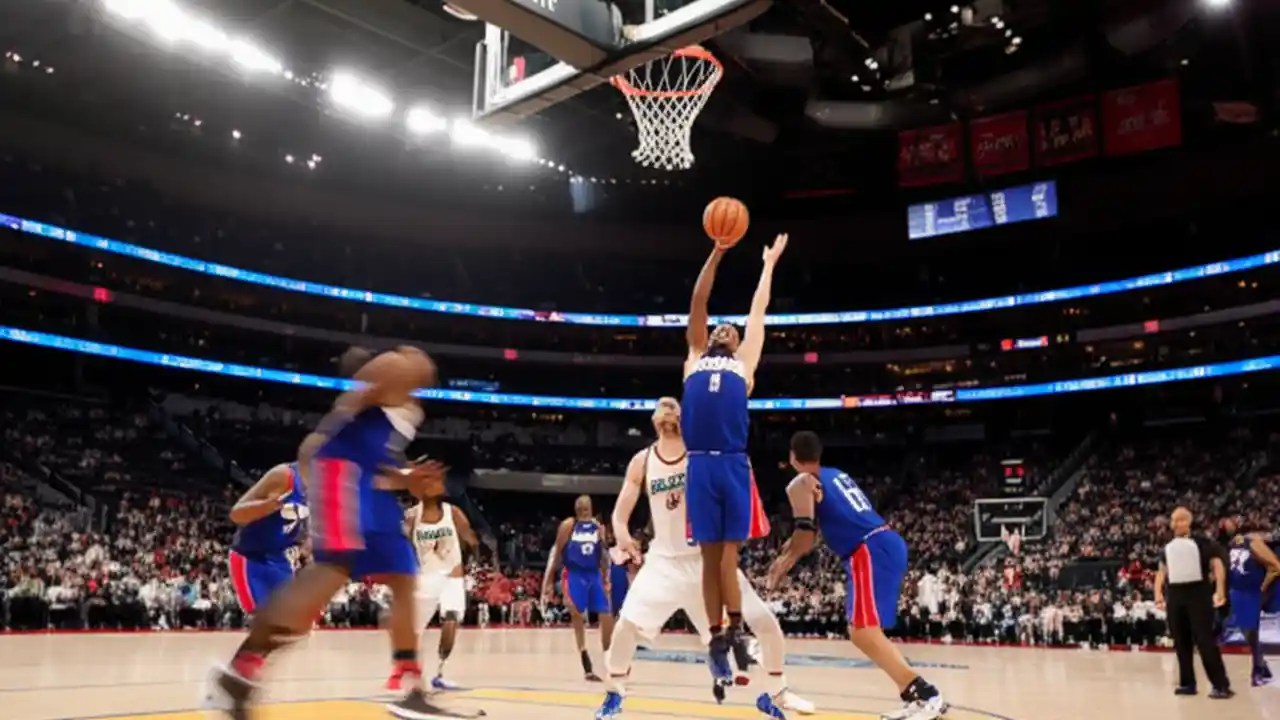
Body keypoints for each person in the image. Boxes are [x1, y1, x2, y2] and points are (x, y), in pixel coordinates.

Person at [209, 346, 471, 720]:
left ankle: (412, 686)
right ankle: (241, 670)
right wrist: (325, 440)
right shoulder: (398, 368)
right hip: (340, 475)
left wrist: (407, 477)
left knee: (402, 577)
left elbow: (379, 468)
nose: (428, 363)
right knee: (331, 572)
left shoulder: (409, 404)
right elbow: (356, 399)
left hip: (366, 485)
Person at [595, 397, 813, 720]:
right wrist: (624, 537)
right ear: (654, 420)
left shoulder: (700, 454)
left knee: (764, 622)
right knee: (626, 626)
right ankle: (614, 695)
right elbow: (619, 515)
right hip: (664, 563)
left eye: (673, 406)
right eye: (663, 406)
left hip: (705, 561)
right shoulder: (642, 460)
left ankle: (777, 693)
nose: (668, 410)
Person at [766, 431, 947, 720]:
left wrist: (780, 567)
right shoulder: (835, 474)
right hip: (883, 542)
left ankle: (926, 695)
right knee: (864, 632)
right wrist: (787, 551)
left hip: (867, 549)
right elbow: (807, 533)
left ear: (792, 457)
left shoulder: (801, 482)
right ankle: (913, 692)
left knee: (862, 631)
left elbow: (805, 537)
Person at [682, 233, 787, 683]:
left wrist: (767, 266)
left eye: (731, 328)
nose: (724, 329)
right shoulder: (692, 356)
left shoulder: (744, 363)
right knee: (709, 558)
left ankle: (738, 629)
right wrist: (717, 252)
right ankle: (717, 637)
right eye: (719, 328)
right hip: (700, 463)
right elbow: (698, 301)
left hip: (731, 463)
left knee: (729, 554)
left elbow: (759, 309)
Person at [389, 471, 482, 692]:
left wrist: (472, 557)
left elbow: (471, 539)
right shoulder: (412, 516)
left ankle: (440, 672)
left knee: (451, 618)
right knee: (414, 629)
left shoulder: (454, 513)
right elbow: (399, 544)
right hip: (426, 577)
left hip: (453, 576)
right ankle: (404, 668)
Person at [1154, 507, 1233, 699]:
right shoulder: (1167, 548)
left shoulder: (1204, 543)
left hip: (1198, 593)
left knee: (1205, 640)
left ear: (1189, 521)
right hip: (1175, 594)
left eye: (1181, 520)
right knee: (1181, 641)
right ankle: (1187, 683)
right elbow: (1162, 571)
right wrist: (1158, 593)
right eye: (1174, 520)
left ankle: (1220, 684)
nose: (1177, 524)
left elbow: (1217, 565)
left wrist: (1220, 590)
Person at [542, 495, 614, 681]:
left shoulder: (598, 527)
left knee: (606, 613)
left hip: (593, 573)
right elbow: (556, 553)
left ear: (591, 508)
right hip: (573, 573)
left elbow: (603, 554)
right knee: (576, 613)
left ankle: (609, 659)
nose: (583, 508)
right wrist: (549, 580)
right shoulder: (568, 525)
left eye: (587, 505)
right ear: (576, 508)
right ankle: (584, 656)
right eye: (580, 505)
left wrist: (606, 577)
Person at [227, 463, 308, 618]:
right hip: (251, 557)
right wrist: (270, 505)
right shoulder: (284, 476)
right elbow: (236, 514)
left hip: (280, 557)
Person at [1221, 517, 1280, 686]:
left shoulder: (1252, 541)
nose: (1226, 524)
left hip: (1252, 591)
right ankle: (1262, 666)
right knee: (1248, 632)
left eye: (1231, 521)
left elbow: (1275, 567)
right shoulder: (1234, 544)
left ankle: (1258, 670)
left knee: (1249, 630)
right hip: (1238, 592)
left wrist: (1262, 589)